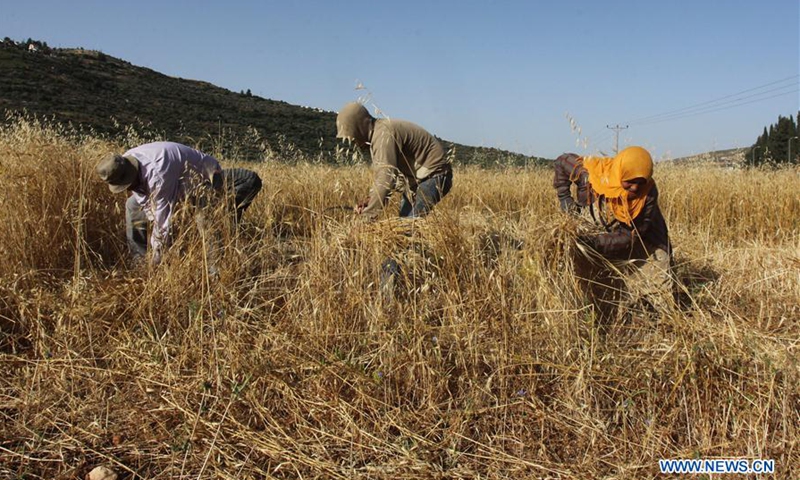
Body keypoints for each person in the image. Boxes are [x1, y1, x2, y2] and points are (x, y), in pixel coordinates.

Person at [95, 141, 262, 265]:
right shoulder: (125, 160)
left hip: (202, 179)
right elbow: (144, 199)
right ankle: (139, 261)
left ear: (131, 173)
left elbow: (162, 223)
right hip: (175, 180)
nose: (126, 189)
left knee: (205, 218)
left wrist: (157, 258)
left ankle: (214, 269)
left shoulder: (158, 173)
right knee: (133, 206)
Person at [553, 146, 675, 313]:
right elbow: (562, 161)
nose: (635, 188)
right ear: (620, 173)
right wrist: (564, 197)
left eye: (641, 182)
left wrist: (592, 243)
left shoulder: (648, 195)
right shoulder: (592, 175)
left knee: (659, 306)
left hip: (646, 245)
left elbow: (628, 236)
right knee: (605, 298)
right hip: (605, 241)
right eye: (630, 181)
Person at [335, 102, 453, 221]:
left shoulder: (383, 136)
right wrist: (370, 201)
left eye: (353, 136)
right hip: (421, 179)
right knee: (405, 224)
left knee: (409, 226)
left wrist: (367, 217)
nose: (354, 142)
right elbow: (388, 179)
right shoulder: (379, 133)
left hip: (435, 176)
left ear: (359, 128)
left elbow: (386, 179)